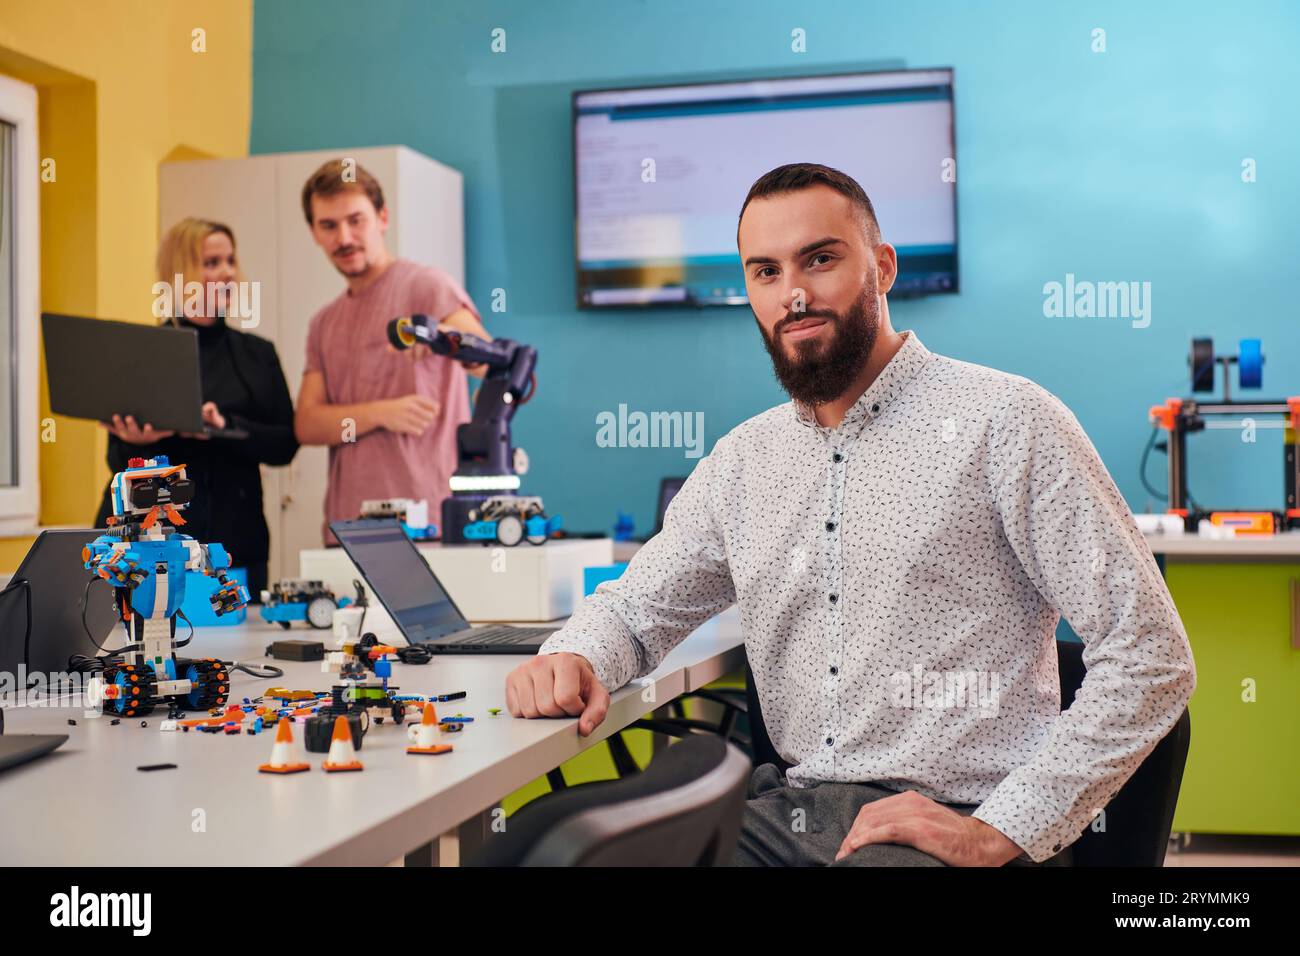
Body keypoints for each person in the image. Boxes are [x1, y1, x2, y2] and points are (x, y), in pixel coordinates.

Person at [504, 163, 1197, 867]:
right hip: (791, 815)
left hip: (959, 823)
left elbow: (1151, 653)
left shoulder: (1008, 422)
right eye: (765, 272)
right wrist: (575, 653)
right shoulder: (743, 462)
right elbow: (636, 609)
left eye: (820, 259)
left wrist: (1003, 828)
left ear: (884, 267)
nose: (793, 294)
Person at [95, 217, 298, 597]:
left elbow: (285, 443)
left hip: (237, 545)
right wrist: (141, 442)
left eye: (230, 260)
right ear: (179, 272)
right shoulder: (142, 353)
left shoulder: (258, 354)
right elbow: (117, 463)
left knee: (240, 650)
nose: (227, 273)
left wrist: (223, 426)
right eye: (211, 263)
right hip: (149, 548)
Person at [293, 159, 491, 544]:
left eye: (356, 220)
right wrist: (383, 413)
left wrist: (442, 337)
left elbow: (488, 362)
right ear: (314, 233)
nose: (344, 238)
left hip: (427, 524)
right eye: (329, 226)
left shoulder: (427, 287)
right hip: (347, 530)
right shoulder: (323, 322)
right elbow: (308, 423)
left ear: (383, 217)